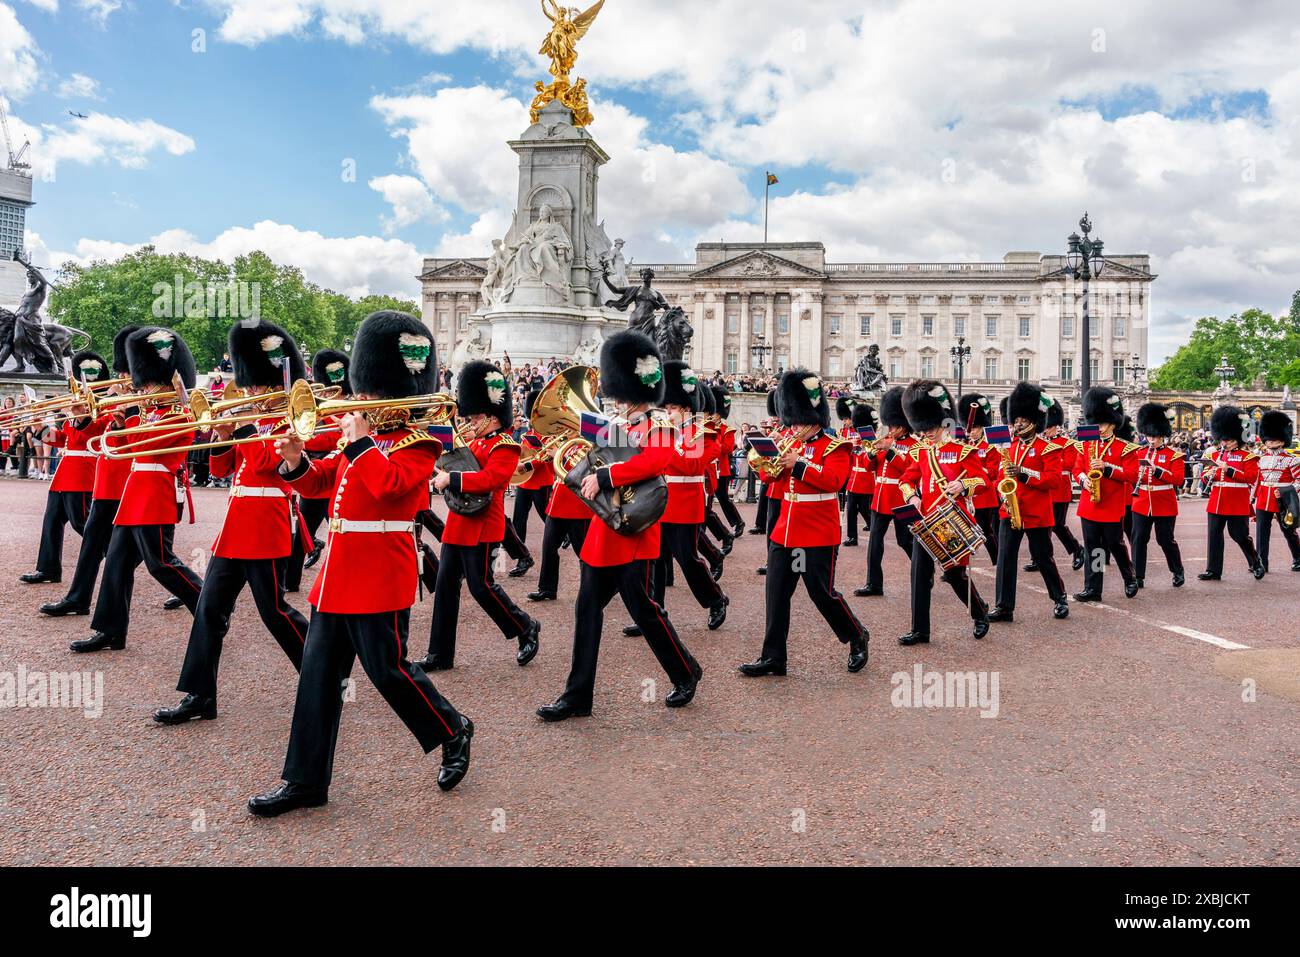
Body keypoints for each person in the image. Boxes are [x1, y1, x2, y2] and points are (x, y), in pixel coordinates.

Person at [248, 310, 472, 817]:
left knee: (388, 671)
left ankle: (452, 727)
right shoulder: (363, 441)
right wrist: (293, 462)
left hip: (379, 573)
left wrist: (360, 441)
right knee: (318, 678)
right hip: (336, 576)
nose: (360, 400)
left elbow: (391, 488)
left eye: (368, 393)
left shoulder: (423, 443)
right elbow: (324, 481)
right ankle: (304, 781)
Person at [537, 330, 702, 721]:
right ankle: (578, 696)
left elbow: (655, 462)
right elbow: (595, 458)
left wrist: (608, 476)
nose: (617, 397)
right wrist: (577, 471)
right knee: (587, 609)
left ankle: (686, 671)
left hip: (634, 530)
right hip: (603, 531)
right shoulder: (612, 422)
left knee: (645, 611)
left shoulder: (659, 422)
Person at [153, 321, 312, 725]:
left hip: (265, 527)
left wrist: (240, 426)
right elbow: (226, 466)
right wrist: (222, 433)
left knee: (274, 612)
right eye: (253, 386)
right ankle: (199, 695)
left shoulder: (292, 421)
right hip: (235, 530)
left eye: (259, 386)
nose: (253, 393)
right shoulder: (253, 420)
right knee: (208, 611)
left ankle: (323, 673)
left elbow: (265, 465)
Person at [71, 328, 206, 653]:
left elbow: (146, 444)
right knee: (116, 563)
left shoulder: (180, 415)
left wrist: (130, 415)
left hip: (154, 496)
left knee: (161, 563)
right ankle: (110, 630)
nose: (142, 390)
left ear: (169, 384)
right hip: (134, 496)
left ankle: (210, 604)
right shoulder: (150, 413)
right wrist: (117, 422)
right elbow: (120, 448)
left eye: (148, 384)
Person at [738, 369, 868, 676]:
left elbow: (834, 481)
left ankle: (856, 635)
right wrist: (768, 464)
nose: (795, 427)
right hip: (786, 532)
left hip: (818, 533)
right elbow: (771, 478)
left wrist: (799, 465)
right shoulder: (786, 441)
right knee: (777, 593)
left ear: (815, 418)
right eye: (792, 420)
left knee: (821, 594)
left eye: (800, 421)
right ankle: (773, 657)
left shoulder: (836, 447)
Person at [420, 361, 540, 670]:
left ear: (491, 416)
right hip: (459, 523)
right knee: (446, 588)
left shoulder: (506, 445)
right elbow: (446, 454)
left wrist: (453, 479)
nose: (470, 422)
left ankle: (525, 626)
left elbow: (492, 480)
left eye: (474, 417)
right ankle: (440, 654)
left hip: (483, 525)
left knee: (481, 587)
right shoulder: (474, 441)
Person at [41, 329, 140, 617]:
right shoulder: (113, 399)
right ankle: (78, 598)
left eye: (126, 373)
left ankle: (195, 593)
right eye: (121, 372)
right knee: (92, 544)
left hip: (127, 483)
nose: (122, 378)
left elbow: (127, 440)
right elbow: (86, 434)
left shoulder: (139, 403)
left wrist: (122, 410)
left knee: (156, 558)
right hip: (105, 483)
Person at [895, 380, 991, 645]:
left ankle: (980, 612)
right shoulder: (921, 453)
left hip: (952, 522)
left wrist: (963, 485)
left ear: (942, 422)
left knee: (955, 576)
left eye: (930, 428)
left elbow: (983, 482)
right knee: (919, 575)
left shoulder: (962, 451)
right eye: (922, 429)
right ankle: (920, 630)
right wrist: (912, 496)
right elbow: (905, 480)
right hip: (926, 522)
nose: (926, 434)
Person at [638, 360, 728, 633]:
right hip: (661, 502)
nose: (668, 412)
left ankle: (716, 599)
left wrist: (666, 443)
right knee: (654, 560)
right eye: (666, 407)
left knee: (687, 560)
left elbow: (691, 465)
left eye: (672, 408)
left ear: (686, 408)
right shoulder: (665, 431)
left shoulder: (704, 433)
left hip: (686, 505)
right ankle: (654, 614)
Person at [18, 350, 113, 586]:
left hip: (82, 472)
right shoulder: (77, 405)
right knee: (52, 521)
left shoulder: (102, 406)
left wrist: (81, 416)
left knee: (83, 522)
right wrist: (40, 428)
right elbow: (64, 439)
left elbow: (94, 433)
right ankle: (48, 568)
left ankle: (116, 554)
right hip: (65, 472)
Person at [986, 382, 1069, 623]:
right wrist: (1001, 491)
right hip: (1010, 510)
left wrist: (1024, 474)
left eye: (1022, 420)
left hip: (1036, 512)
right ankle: (1004, 606)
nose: (1018, 424)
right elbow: (1000, 477)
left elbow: (1053, 480)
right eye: (1016, 420)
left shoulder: (1048, 449)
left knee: (1043, 557)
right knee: (1005, 558)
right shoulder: (1008, 448)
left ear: (1034, 421)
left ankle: (1059, 597)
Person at [1072, 387, 1141, 603]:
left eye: (1102, 424)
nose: (1099, 428)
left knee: (1115, 543)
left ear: (1112, 423)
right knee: (1093, 547)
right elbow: (1076, 470)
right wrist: (1084, 480)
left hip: (1111, 504)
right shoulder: (1086, 446)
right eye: (1097, 423)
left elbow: (1132, 475)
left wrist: (1107, 468)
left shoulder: (1125, 448)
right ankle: (1093, 587)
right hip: (1090, 503)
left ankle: (1129, 577)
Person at [854, 386, 915, 597]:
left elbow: (909, 468)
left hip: (901, 498)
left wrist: (890, 452)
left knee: (904, 540)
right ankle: (874, 583)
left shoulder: (915, 445)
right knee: (875, 541)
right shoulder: (886, 441)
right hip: (880, 497)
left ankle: (924, 571)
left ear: (905, 425)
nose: (891, 428)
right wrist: (871, 453)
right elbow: (867, 466)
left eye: (895, 425)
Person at [1198, 406, 1264, 581]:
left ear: (1237, 438)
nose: (1224, 443)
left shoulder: (1247, 457)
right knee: (1214, 537)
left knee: (1240, 535)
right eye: (1222, 439)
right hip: (1216, 500)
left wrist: (1228, 470)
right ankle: (1213, 570)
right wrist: (1208, 476)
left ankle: (1255, 562)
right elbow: (1205, 474)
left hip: (1237, 502)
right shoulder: (1215, 455)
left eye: (1228, 440)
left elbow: (1251, 477)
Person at [1129, 402, 1186, 589]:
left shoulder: (1174, 456)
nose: (1151, 440)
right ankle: (1138, 575)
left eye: (1154, 437)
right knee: (1138, 540)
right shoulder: (1138, 453)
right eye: (1148, 436)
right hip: (1142, 502)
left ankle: (1177, 570)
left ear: (1162, 435)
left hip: (1164, 503)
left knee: (1165, 540)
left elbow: (1178, 480)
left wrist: (1158, 471)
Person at [1027, 399, 1085, 573]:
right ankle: (1039, 558)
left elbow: (1068, 465)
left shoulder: (1068, 444)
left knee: (1058, 525)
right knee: (1040, 526)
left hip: (1059, 489)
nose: (1045, 429)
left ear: (1055, 425)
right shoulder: (1038, 443)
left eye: (1048, 425)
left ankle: (1077, 549)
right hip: (1042, 488)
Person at [956, 393, 1001, 564]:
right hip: (966, 494)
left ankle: (997, 560)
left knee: (985, 532)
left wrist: (974, 468)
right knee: (962, 531)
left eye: (975, 428)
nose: (972, 431)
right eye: (971, 428)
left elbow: (992, 472)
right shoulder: (964, 445)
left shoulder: (990, 446)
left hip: (983, 495)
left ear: (982, 427)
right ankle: (958, 565)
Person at [1254, 410, 1300, 573]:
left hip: (1283, 499)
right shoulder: (1260, 458)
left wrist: (1286, 490)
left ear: (1281, 440)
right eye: (1268, 439)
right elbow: (1258, 480)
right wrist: (1253, 499)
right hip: (1263, 498)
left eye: (1273, 439)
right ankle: (1261, 562)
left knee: (1288, 530)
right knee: (1261, 533)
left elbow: (1299, 481)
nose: (1269, 442)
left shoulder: (1292, 459)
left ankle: (1298, 557)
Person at [510, 388, 553, 557]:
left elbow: (544, 458)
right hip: (525, 482)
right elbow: (523, 453)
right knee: (519, 519)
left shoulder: (548, 435)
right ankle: (521, 555)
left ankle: (565, 535)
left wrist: (526, 465)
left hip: (541, 482)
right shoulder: (527, 434)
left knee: (548, 518)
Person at [842, 402, 877, 546]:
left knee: (864, 509)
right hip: (853, 480)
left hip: (864, 480)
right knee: (850, 510)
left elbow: (870, 462)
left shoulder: (871, 440)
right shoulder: (855, 439)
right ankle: (852, 537)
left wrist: (864, 449)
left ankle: (872, 525)